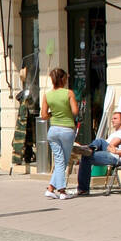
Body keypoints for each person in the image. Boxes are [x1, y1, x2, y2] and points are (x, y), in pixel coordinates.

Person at [75, 105, 121, 196]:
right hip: (118, 151)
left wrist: (116, 151)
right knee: (100, 141)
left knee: (86, 157)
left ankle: (83, 189)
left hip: (118, 157)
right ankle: (89, 148)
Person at [41, 67, 79, 200]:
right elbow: (75, 111)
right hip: (67, 129)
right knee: (62, 161)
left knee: (59, 160)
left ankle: (51, 189)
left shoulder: (47, 95)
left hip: (53, 130)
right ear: (63, 79)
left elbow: (44, 115)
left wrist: (54, 113)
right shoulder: (69, 93)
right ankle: (62, 191)